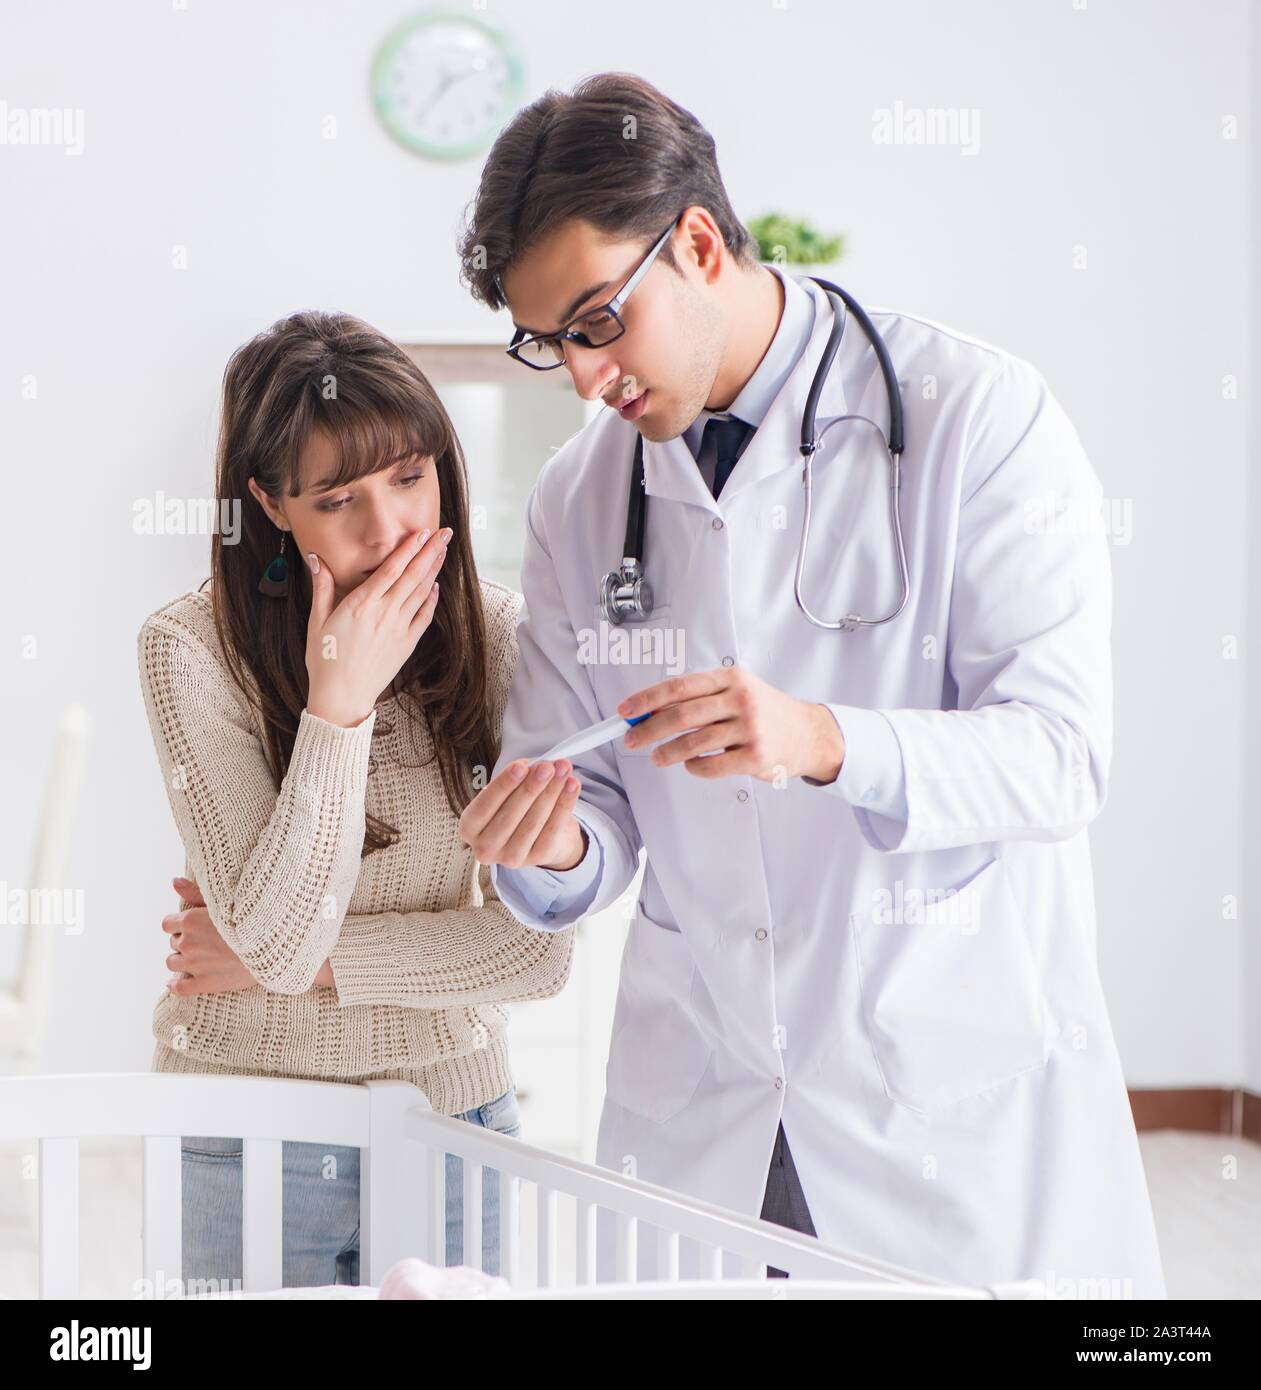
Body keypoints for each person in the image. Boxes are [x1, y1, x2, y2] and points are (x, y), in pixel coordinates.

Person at [453, 73, 1167, 1295]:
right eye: (548, 344)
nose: (582, 378)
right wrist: (552, 849)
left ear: (693, 242)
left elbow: (1059, 755)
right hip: (708, 1094)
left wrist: (823, 739)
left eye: (595, 322)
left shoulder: (973, 417)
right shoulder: (583, 496)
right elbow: (587, 812)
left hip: (937, 1088)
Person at [137, 310, 575, 1288]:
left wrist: (296, 961)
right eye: (337, 497)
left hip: (451, 1116)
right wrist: (339, 703)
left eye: (409, 478)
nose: (389, 530)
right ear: (271, 503)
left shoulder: (504, 635)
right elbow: (279, 946)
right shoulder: (188, 651)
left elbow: (537, 950)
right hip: (240, 1129)